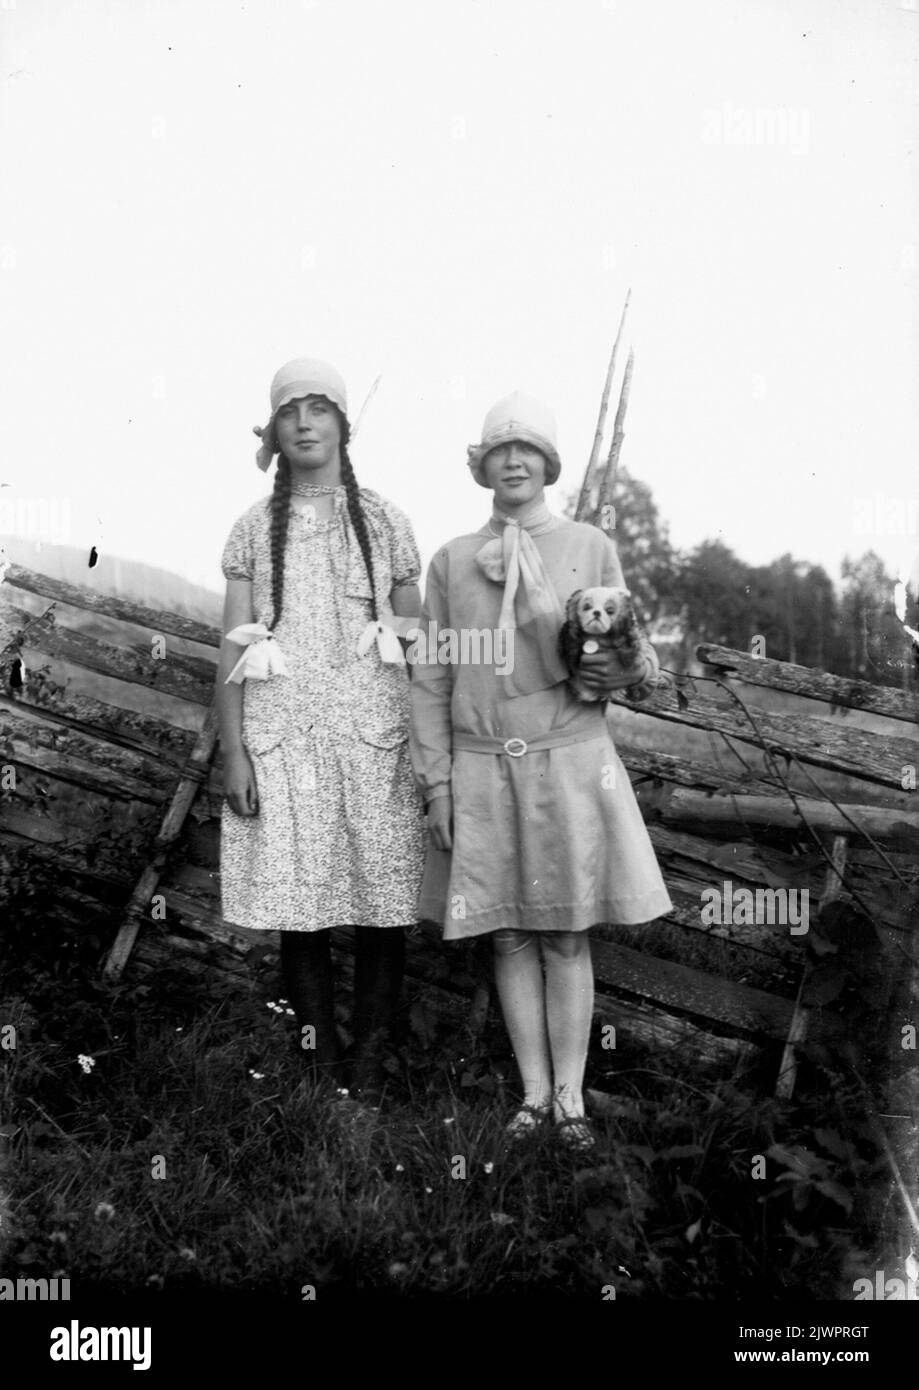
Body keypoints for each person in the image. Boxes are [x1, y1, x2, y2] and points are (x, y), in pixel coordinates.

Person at [409, 391, 673, 1149]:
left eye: (527, 449)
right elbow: (431, 678)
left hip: (568, 764)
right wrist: (437, 783)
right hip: (483, 769)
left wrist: (596, 666)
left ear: (549, 463)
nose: (514, 461)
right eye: (499, 449)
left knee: (563, 934)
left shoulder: (588, 547)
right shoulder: (453, 560)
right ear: (481, 464)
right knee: (508, 937)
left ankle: (571, 1101)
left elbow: (622, 655)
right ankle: (529, 1096)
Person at [217, 357, 425, 1102]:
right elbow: (236, 642)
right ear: (273, 431)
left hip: (375, 737)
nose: (304, 422)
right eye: (289, 411)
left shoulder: (386, 521)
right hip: (283, 737)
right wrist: (235, 749)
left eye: (318, 408)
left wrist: (426, 743)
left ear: (342, 423)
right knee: (297, 908)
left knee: (381, 903)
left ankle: (368, 1067)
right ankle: (320, 1068)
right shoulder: (250, 529)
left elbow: (418, 639)